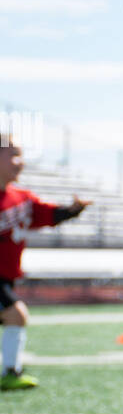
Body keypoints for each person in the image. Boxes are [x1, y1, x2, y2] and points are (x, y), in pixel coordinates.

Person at [0, 141, 91, 390]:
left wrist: (73, 210)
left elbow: (48, 215)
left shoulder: (22, 199)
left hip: (6, 277)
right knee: (16, 315)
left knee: (13, 317)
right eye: (14, 155)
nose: (21, 161)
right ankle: (10, 372)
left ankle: (10, 370)